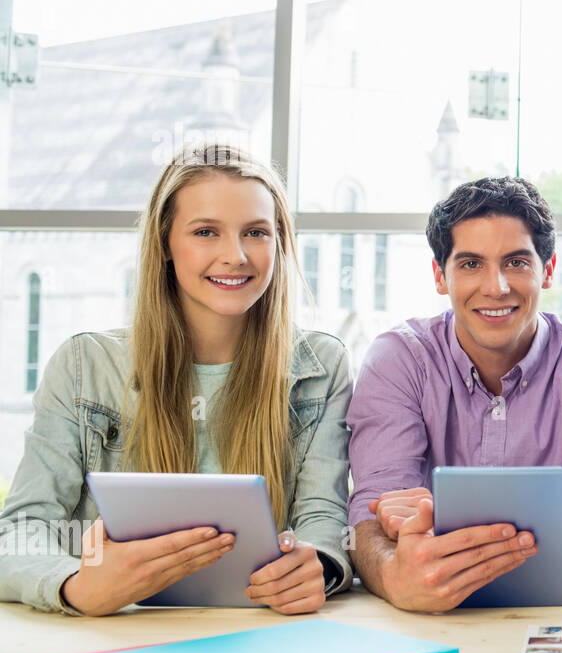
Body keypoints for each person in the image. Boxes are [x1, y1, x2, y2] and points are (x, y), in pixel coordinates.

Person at [0, 145, 353, 616]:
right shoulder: (86, 365)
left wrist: (320, 567)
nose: (236, 255)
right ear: (166, 244)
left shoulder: (321, 366)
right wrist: (72, 587)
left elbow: (324, 519)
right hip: (114, 636)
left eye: (256, 232)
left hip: (263, 632)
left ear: (280, 243)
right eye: (206, 232)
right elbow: (22, 527)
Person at [346, 176, 562, 613]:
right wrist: (394, 575)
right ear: (441, 276)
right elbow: (372, 524)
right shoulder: (400, 359)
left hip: (556, 618)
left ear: (547, 271)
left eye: (516, 262)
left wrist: (454, 563)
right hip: (429, 621)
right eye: (471, 264)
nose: (495, 287)